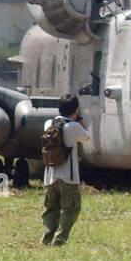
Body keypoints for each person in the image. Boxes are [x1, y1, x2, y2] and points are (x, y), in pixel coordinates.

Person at [42, 94, 92, 247]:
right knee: (71, 209)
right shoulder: (73, 126)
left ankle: (46, 240)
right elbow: (87, 137)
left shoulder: (48, 123)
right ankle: (59, 241)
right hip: (68, 176)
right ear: (76, 109)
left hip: (50, 174)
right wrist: (80, 120)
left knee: (51, 208)